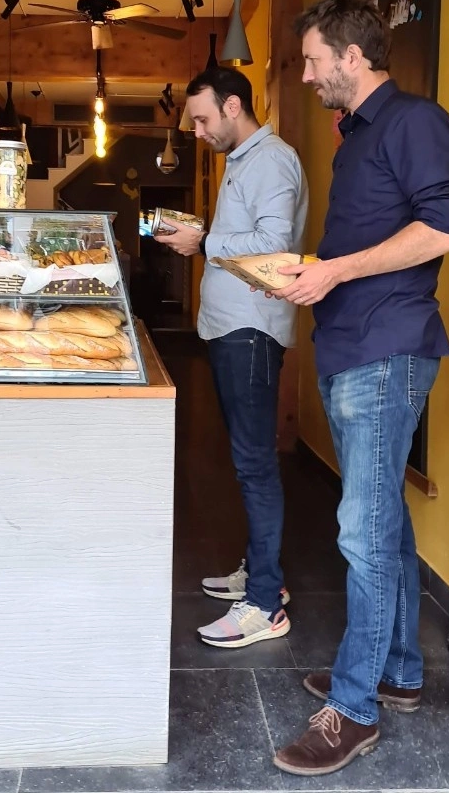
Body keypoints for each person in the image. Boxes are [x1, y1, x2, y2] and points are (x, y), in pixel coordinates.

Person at [270, 0, 449, 776]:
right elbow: (357, 245)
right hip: (354, 346)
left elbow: (444, 227)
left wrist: (336, 271)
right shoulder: (355, 136)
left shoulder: (413, 119)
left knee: (360, 528)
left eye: (315, 60)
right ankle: (397, 672)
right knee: (380, 516)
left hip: (386, 347)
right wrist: (301, 275)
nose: (309, 74)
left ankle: (351, 709)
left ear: (353, 56)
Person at [154, 66, 308, 649]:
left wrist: (204, 243)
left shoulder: (270, 160)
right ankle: (263, 573)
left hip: (250, 330)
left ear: (234, 105)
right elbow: (246, 234)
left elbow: (274, 244)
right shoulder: (244, 161)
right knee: (248, 460)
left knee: (254, 464)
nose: (196, 130)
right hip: (231, 328)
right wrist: (200, 233)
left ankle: (265, 604)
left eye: (201, 118)